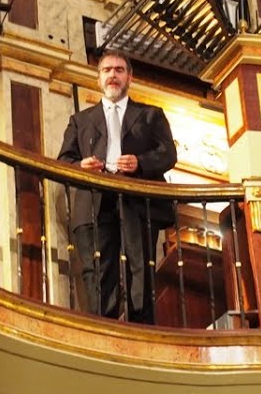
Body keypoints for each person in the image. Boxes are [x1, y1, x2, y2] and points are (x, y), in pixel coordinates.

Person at [57, 49, 177, 323]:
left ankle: (141, 329)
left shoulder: (150, 115)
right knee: (98, 269)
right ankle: (104, 329)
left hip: (136, 199)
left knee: (140, 267)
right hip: (94, 201)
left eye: (119, 70)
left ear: (129, 78)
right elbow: (64, 161)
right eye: (107, 70)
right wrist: (80, 167)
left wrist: (140, 162)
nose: (113, 74)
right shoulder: (81, 120)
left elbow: (169, 154)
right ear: (98, 78)